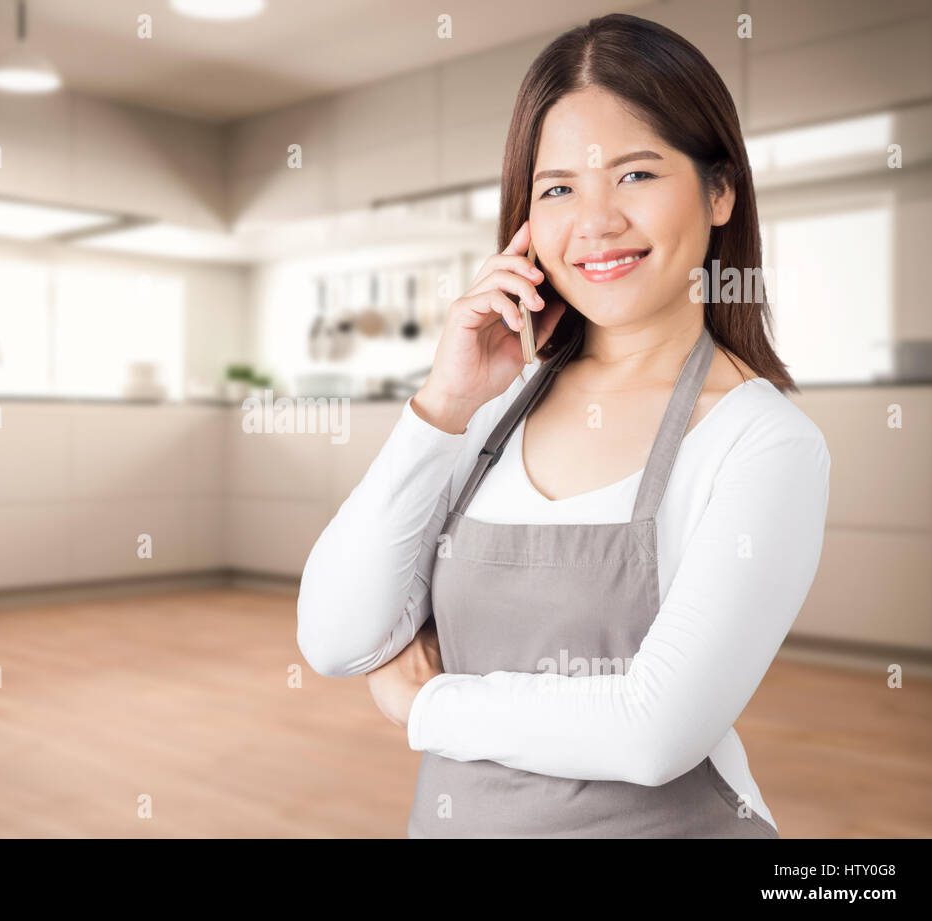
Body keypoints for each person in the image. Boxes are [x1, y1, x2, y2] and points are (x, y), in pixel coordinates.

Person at [295, 13, 831, 838]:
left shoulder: (761, 443)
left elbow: (653, 731)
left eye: (636, 175)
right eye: (558, 188)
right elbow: (335, 638)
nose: (596, 221)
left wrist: (427, 705)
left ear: (720, 191)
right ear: (525, 219)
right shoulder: (489, 411)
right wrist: (441, 404)